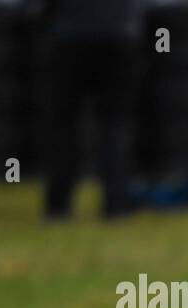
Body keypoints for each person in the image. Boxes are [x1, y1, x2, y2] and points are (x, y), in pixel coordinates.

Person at [38, 0, 145, 219]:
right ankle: (116, 205)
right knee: (114, 124)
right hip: (120, 35)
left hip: (72, 36)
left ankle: (58, 206)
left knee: (64, 125)